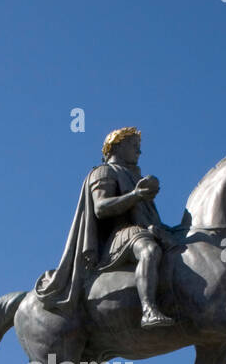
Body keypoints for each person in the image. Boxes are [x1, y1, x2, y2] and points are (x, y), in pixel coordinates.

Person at [35, 126, 175, 327]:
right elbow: (101, 207)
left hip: (144, 230)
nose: (139, 151)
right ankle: (149, 310)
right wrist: (135, 195)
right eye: (134, 145)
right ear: (117, 146)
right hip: (121, 235)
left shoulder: (133, 176)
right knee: (149, 250)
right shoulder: (104, 171)